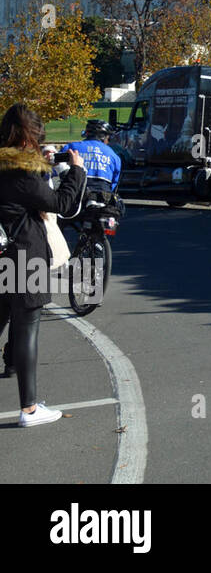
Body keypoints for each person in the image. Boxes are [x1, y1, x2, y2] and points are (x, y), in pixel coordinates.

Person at [0, 105, 86, 426]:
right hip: (25, 259)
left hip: (2, 257)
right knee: (27, 332)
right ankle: (29, 410)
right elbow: (61, 204)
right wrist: (75, 171)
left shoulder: (10, 168)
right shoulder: (22, 173)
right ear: (28, 138)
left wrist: (43, 166)